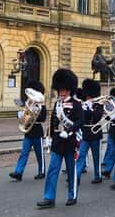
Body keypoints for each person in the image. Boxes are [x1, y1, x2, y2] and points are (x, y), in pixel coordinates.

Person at [37, 69, 83, 208]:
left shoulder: (76, 104)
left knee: (71, 170)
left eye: (64, 91)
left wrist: (69, 131)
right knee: (52, 170)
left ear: (69, 90)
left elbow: (80, 121)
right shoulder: (57, 103)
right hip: (57, 141)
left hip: (70, 141)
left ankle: (72, 195)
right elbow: (53, 122)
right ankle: (49, 198)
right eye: (60, 90)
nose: (62, 93)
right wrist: (49, 137)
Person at [10, 80, 47, 181]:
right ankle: (18, 172)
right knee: (24, 153)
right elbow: (24, 118)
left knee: (40, 154)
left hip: (37, 132)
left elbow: (43, 118)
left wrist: (32, 116)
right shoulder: (28, 104)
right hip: (28, 132)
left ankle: (42, 171)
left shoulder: (41, 105)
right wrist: (21, 115)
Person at [77, 78, 105, 184]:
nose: (87, 97)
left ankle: (98, 176)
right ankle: (77, 176)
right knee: (81, 155)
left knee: (96, 157)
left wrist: (90, 109)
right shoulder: (83, 104)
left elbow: (98, 117)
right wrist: (84, 109)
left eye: (89, 95)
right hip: (85, 133)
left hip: (95, 133)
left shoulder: (99, 104)